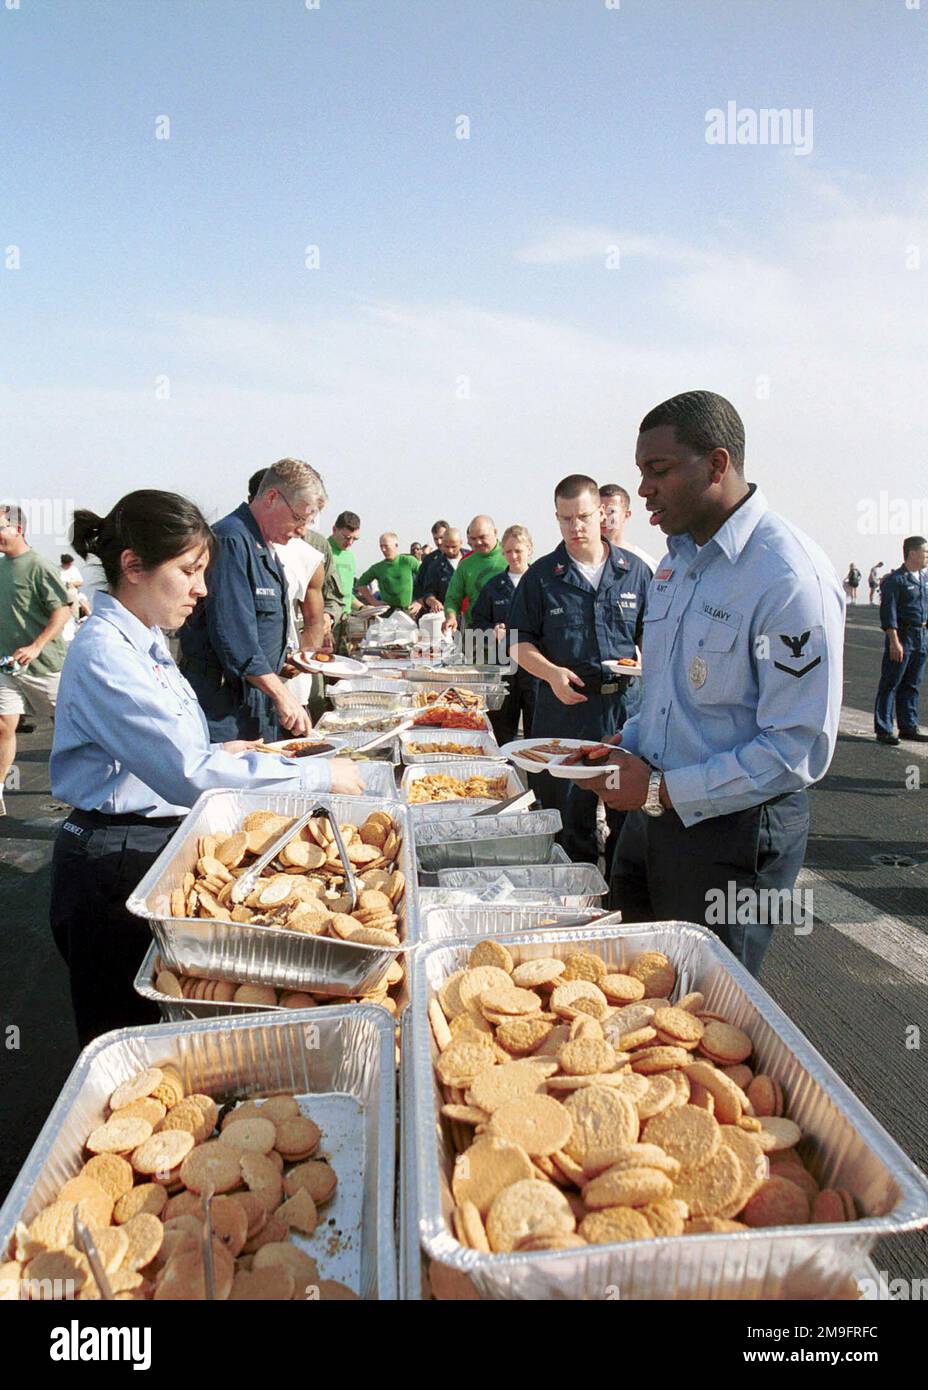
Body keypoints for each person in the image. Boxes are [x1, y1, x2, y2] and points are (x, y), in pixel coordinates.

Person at [49, 490, 363, 1044]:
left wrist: (227, 754)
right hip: (112, 860)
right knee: (126, 1038)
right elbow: (184, 776)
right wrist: (315, 778)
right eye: (190, 571)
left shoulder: (144, 640)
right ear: (133, 566)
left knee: (165, 1030)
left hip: (146, 843)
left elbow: (176, 752)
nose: (202, 588)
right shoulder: (105, 652)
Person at [578, 391, 843, 978]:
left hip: (731, 836)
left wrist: (665, 789)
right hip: (652, 822)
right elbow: (666, 697)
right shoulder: (676, 563)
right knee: (632, 993)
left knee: (706, 1015)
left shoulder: (787, 576)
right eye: (641, 472)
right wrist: (623, 746)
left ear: (717, 465)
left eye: (660, 470)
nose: (642, 489)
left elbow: (797, 748)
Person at [509, 478, 649, 867]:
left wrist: (649, 665)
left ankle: (624, 902)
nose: (576, 527)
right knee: (570, 823)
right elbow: (519, 643)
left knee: (629, 818)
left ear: (601, 513)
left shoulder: (634, 572)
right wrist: (551, 672)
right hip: (565, 709)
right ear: (557, 518)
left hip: (624, 710)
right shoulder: (541, 576)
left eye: (584, 517)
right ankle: (577, 906)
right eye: (566, 519)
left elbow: (653, 637)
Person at [179, 460, 318, 742]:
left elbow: (257, 629)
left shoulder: (263, 545)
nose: (302, 529)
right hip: (225, 707)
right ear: (271, 498)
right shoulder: (231, 541)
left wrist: (282, 659)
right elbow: (233, 636)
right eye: (299, 518)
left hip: (257, 698)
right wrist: (282, 695)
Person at [0, 503, 72, 816]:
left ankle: (80, 787)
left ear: (18, 529)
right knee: (3, 727)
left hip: (46, 667)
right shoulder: (1, 567)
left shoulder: (40, 565)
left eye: (0, 527)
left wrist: (37, 645)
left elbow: (64, 609)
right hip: (8, 666)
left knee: (67, 728)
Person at [470, 525, 538, 744]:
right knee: (501, 732)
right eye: (508, 551)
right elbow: (477, 620)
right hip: (503, 669)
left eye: (518, 550)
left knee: (537, 732)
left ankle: (536, 778)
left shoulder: (542, 583)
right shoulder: (493, 586)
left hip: (536, 669)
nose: (514, 556)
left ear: (530, 549)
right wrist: (491, 630)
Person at [874, 535, 928, 745]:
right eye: (925, 552)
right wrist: (894, 641)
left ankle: (908, 726)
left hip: (920, 636)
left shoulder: (923, 580)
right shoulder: (895, 580)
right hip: (902, 636)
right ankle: (884, 728)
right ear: (912, 553)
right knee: (891, 682)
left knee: (912, 683)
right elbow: (889, 612)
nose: (927, 557)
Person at [443, 516, 507, 633]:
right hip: (475, 632)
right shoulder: (466, 564)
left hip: (509, 632)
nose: (478, 542)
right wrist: (451, 617)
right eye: (473, 538)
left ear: (495, 532)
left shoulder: (510, 556)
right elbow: (453, 597)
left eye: (482, 537)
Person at [600, 484, 659, 572]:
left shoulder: (645, 565)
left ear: (626, 515)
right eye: (599, 511)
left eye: (611, 511)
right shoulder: (576, 559)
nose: (603, 518)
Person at [355, 533, 420, 610]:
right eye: (381, 546)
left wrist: (420, 602)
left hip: (408, 610)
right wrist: (374, 602)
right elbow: (360, 584)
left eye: (386, 546)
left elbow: (426, 578)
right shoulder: (378, 568)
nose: (383, 549)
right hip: (388, 612)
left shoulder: (408, 561)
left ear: (396, 545)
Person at [326, 510, 361, 650]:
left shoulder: (350, 556)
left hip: (345, 621)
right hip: (327, 622)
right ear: (334, 529)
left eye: (354, 539)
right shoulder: (323, 550)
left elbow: (346, 594)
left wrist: (363, 608)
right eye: (346, 538)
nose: (350, 543)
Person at [410, 527, 464, 616]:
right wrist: (433, 601)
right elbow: (427, 591)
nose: (450, 550)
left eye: (454, 547)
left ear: (461, 543)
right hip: (447, 615)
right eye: (447, 546)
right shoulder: (434, 566)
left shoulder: (471, 559)